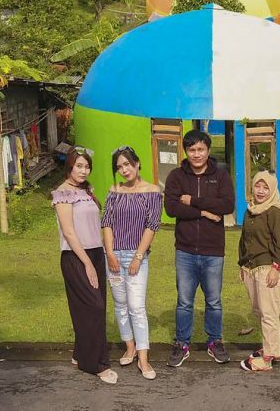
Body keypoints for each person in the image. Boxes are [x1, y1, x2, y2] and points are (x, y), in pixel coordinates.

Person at [164, 129, 235, 367]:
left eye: (201, 149)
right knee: (184, 301)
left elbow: (226, 205)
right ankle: (182, 343)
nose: (197, 154)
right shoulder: (176, 176)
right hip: (184, 250)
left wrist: (193, 201)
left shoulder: (221, 176)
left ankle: (214, 341)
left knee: (214, 301)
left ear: (207, 150)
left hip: (213, 250)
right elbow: (172, 208)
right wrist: (205, 211)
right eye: (192, 150)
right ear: (186, 151)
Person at [52, 148, 117, 384]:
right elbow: (69, 232)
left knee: (92, 306)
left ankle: (80, 354)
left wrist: (99, 255)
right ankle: (96, 364)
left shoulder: (86, 190)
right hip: (75, 256)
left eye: (86, 166)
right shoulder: (62, 194)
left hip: (95, 253)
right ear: (69, 166)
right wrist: (87, 263)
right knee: (94, 307)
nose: (83, 170)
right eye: (79, 166)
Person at [102, 145, 163, 381]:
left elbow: (152, 225)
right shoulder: (114, 190)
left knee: (137, 307)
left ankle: (143, 359)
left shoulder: (152, 191)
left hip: (137, 256)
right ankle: (129, 346)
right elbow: (106, 223)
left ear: (137, 163)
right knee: (120, 304)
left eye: (127, 164)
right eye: (119, 167)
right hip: (114, 255)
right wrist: (110, 253)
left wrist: (138, 256)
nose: (124, 170)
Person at [237, 170, 280, 373]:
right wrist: (242, 265)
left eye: (265, 187)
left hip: (269, 269)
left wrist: (276, 268)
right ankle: (268, 347)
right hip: (251, 268)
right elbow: (245, 240)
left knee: (269, 313)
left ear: (272, 189)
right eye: (257, 186)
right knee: (260, 311)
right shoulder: (251, 210)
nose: (260, 191)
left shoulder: (275, 211)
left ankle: (268, 358)